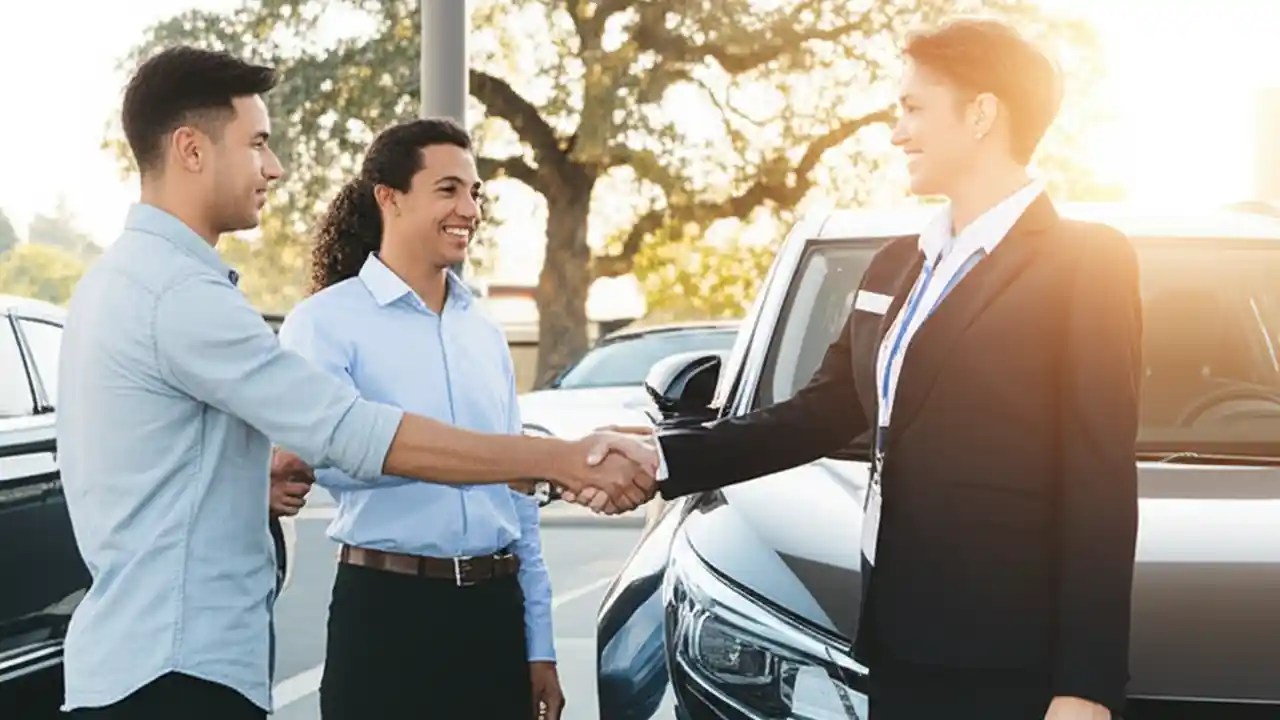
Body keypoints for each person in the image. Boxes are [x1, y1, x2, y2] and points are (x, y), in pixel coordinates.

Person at [55, 46, 654, 720]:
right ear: (191, 149)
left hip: (155, 663)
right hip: (173, 677)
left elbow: (150, 464)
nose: (274, 168)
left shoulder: (123, 281)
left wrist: (248, 480)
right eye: (257, 144)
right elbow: (351, 432)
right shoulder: (180, 296)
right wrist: (561, 459)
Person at [579, 17, 1140, 720]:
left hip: (1008, 663)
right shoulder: (898, 265)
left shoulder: (1085, 263)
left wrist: (1085, 685)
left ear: (981, 114)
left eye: (912, 109)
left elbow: (1101, 485)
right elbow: (820, 411)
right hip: (896, 647)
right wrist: (660, 454)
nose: (898, 131)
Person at [272, 118, 564, 719]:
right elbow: (331, 457)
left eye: (475, 192)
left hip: (494, 617)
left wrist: (541, 645)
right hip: (387, 615)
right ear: (390, 196)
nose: (470, 209)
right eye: (449, 189)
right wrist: (454, 458)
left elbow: (518, 502)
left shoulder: (484, 333)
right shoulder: (324, 323)